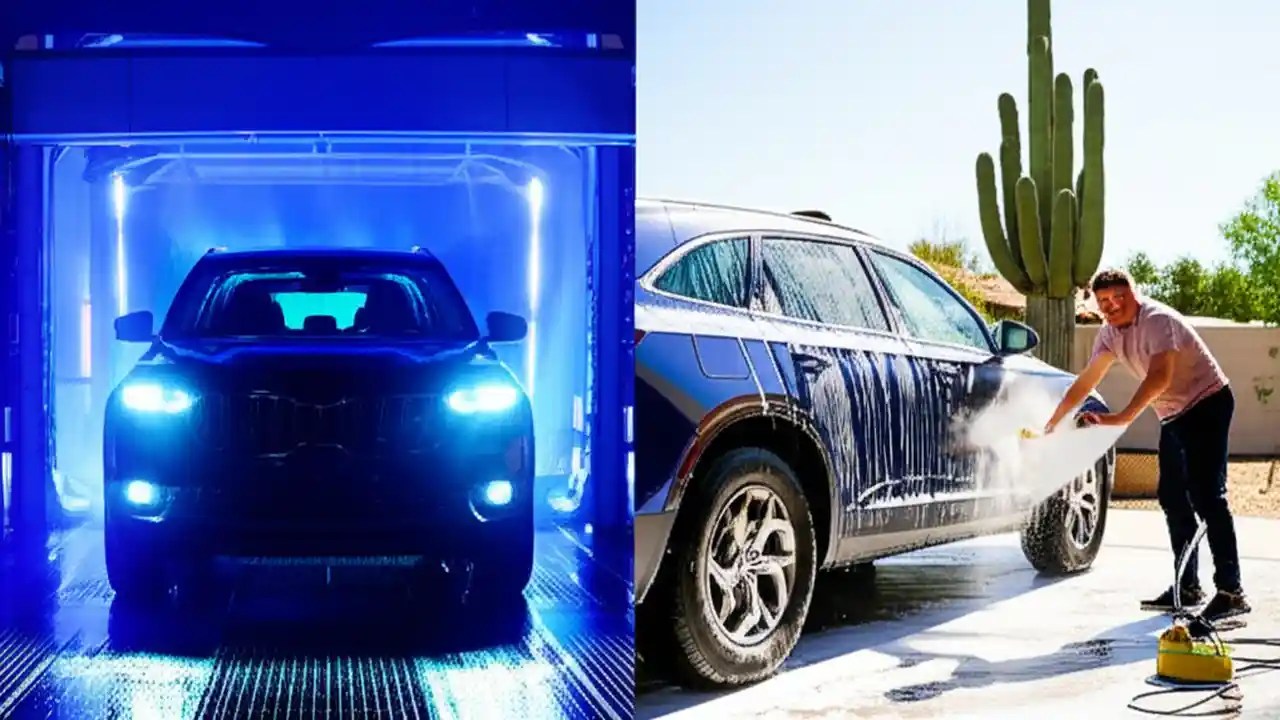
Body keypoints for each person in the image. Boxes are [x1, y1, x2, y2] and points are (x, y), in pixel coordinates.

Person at [1044, 269, 1248, 622]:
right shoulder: (1108, 335)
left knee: (1207, 495)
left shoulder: (1157, 321)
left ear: (1133, 294)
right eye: (1104, 301)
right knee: (1172, 497)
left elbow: (1160, 376)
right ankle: (1187, 587)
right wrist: (1054, 420)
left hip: (1207, 402)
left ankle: (1231, 592)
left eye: (1118, 298)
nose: (1111, 306)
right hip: (1173, 413)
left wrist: (1122, 417)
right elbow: (1087, 379)